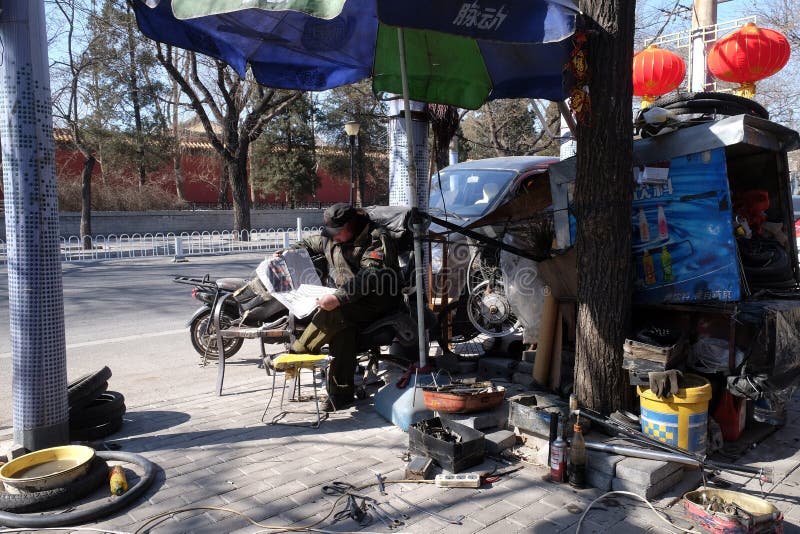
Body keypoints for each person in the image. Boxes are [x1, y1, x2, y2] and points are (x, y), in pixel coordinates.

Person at [289, 203, 403, 411]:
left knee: (335, 312)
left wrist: (339, 298)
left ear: (351, 225)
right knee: (343, 330)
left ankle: (297, 354)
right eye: (330, 232)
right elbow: (308, 243)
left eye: (338, 232)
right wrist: (288, 253)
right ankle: (341, 394)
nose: (333, 237)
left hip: (379, 302)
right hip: (351, 302)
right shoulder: (330, 237)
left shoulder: (376, 239)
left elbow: (370, 277)